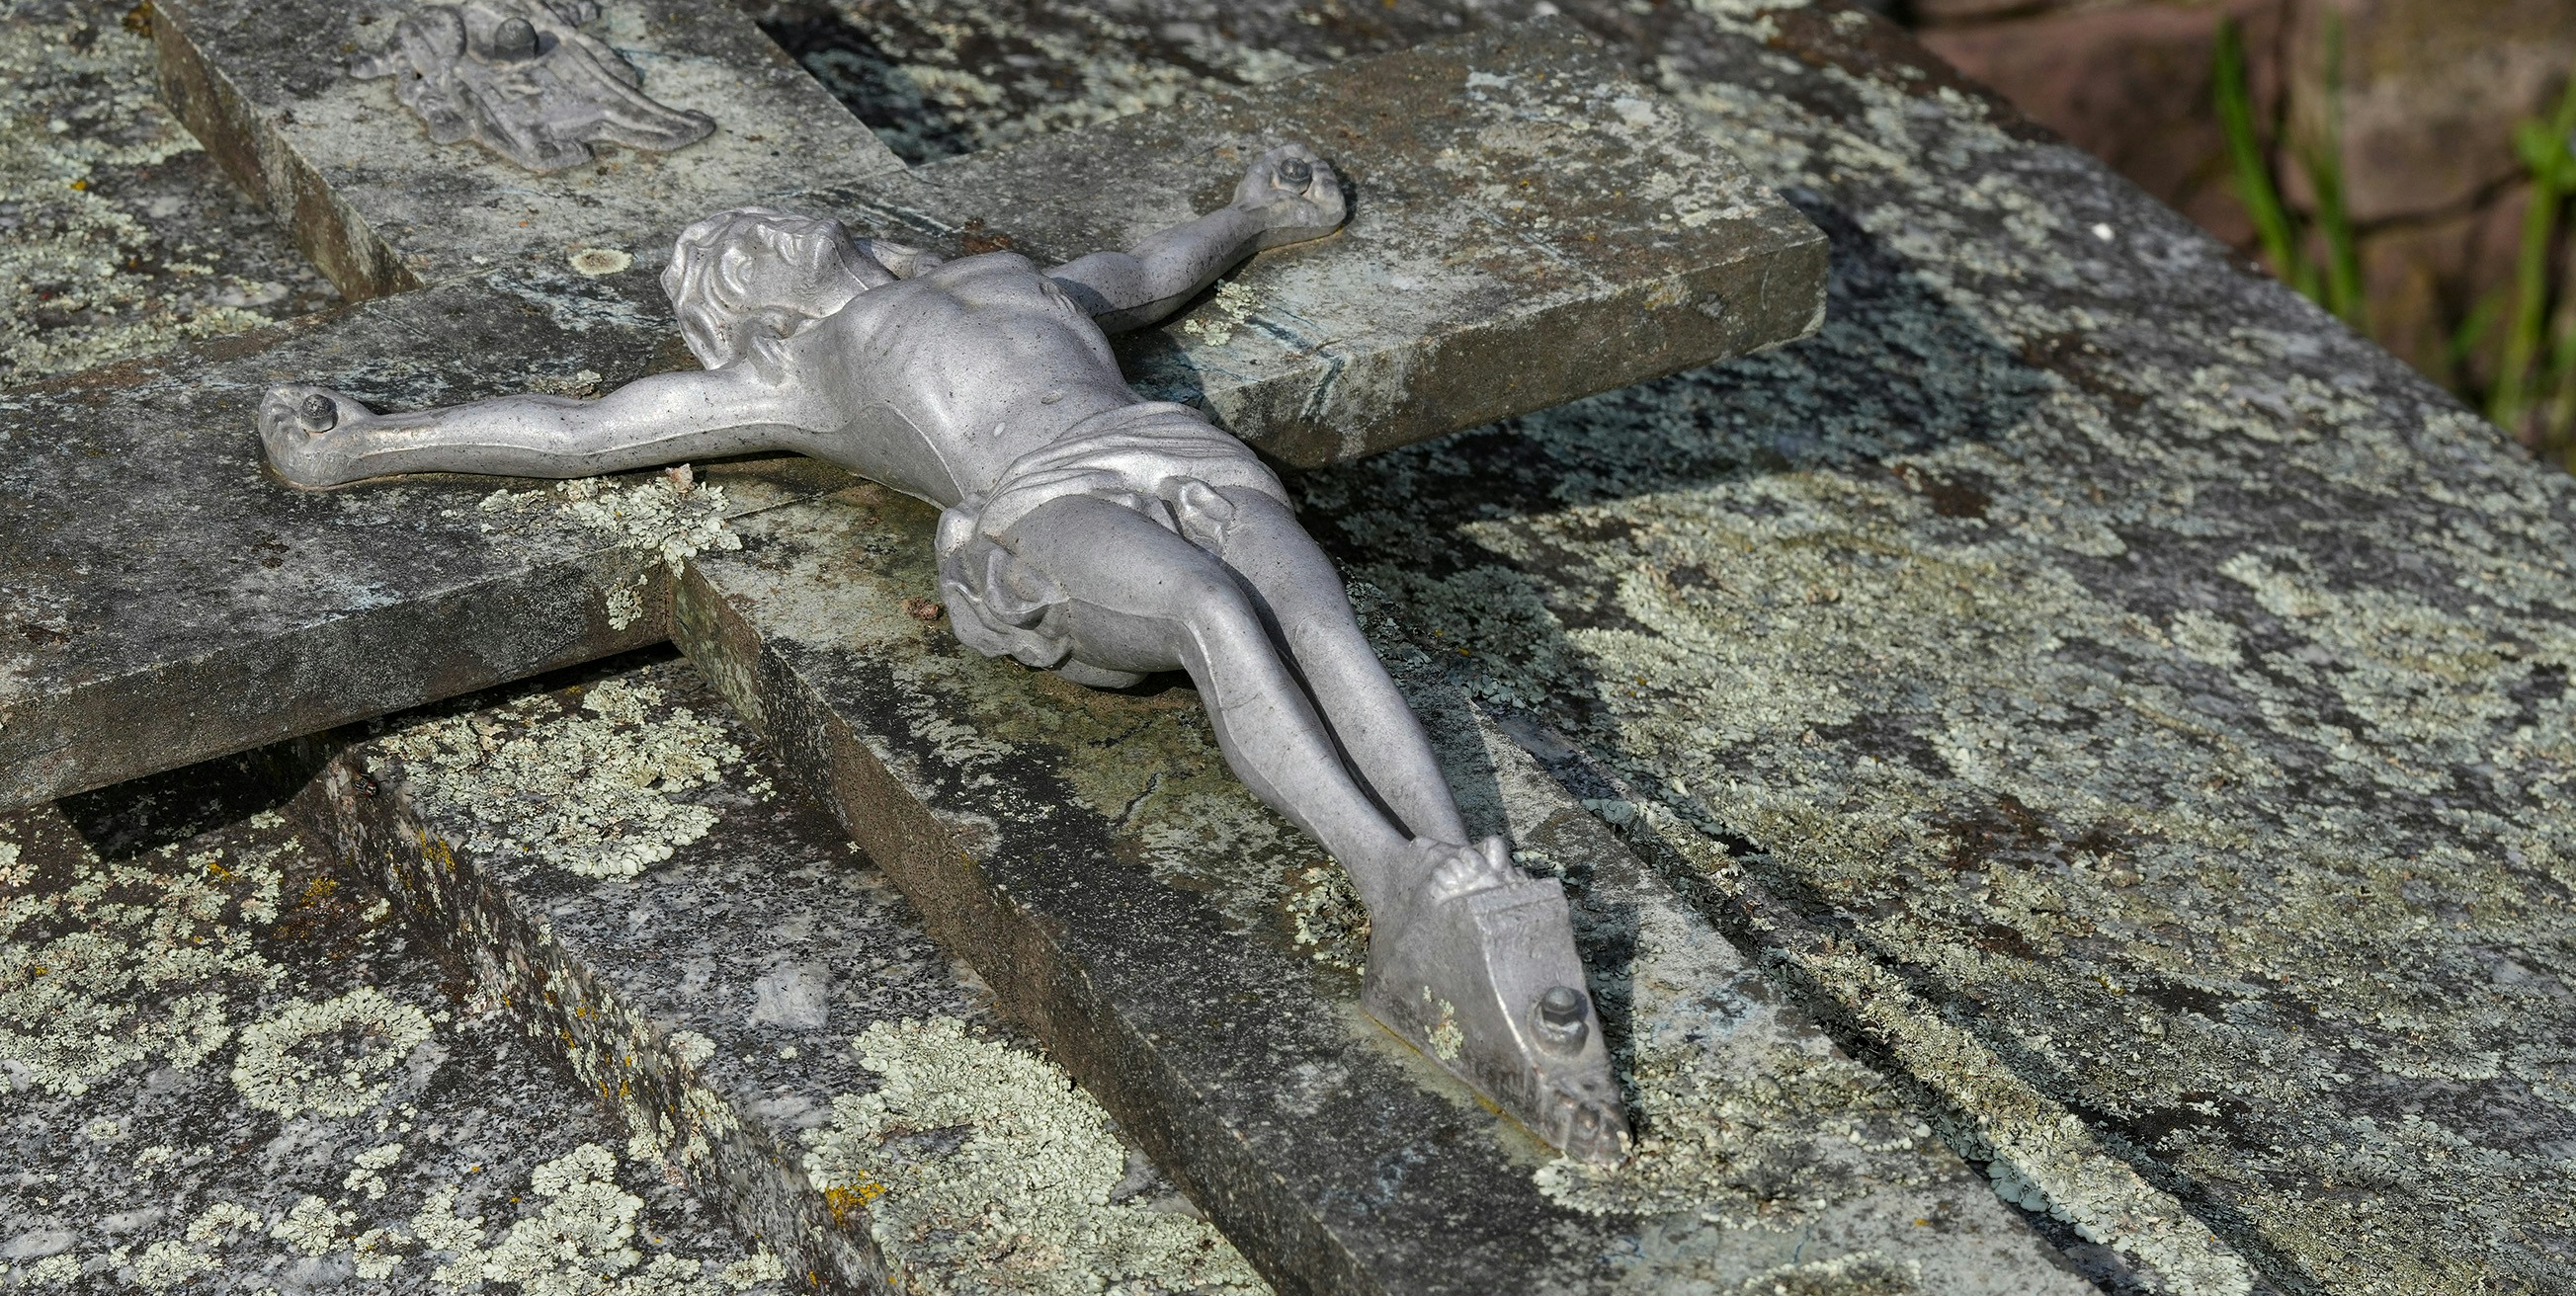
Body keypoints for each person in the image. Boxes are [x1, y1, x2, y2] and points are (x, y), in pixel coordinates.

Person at [259, 140, 1627, 1164]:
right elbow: (583, 431)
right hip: (1046, 512)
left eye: (748, 229)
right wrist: (369, 442)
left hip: (1170, 451)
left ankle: (1459, 871)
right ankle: (1387, 873)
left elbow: (1152, 273)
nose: (754, 241)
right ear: (745, 316)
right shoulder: (790, 377)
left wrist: (1254, 215)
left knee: (1318, 610)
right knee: (1216, 616)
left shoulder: (1006, 274)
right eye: (726, 259)